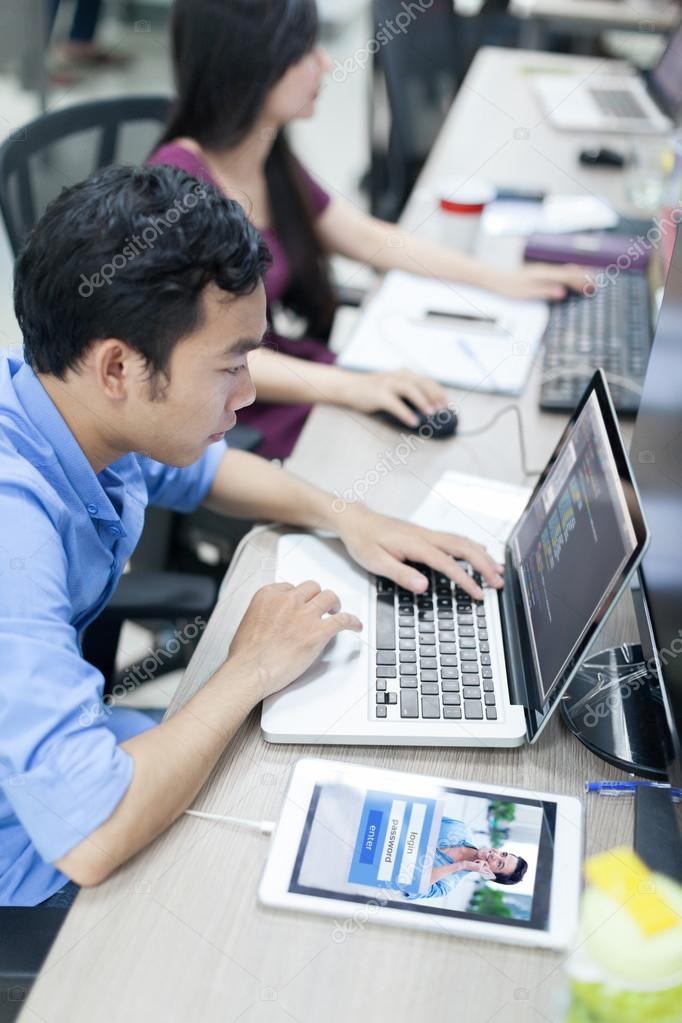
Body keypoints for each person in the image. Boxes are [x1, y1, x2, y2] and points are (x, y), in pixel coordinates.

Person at [0, 164, 505, 907]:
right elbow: (93, 833)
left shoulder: (58, 399)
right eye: (230, 364)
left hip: (73, 757)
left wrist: (349, 516)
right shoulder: (16, 538)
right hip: (41, 845)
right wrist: (249, 667)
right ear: (118, 367)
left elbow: (203, 475)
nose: (248, 393)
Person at [148, 0, 587, 460]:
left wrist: (503, 281)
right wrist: (357, 387)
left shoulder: (267, 155)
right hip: (239, 414)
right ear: (247, 65)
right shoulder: (181, 183)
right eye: (304, 52)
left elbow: (369, 238)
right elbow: (206, 354)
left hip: (298, 379)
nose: (325, 62)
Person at [401, 817, 528, 900]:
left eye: (500, 864)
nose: (496, 855)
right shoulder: (459, 828)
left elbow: (411, 886)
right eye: (503, 854)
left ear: (489, 875)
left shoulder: (446, 885)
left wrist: (461, 866)